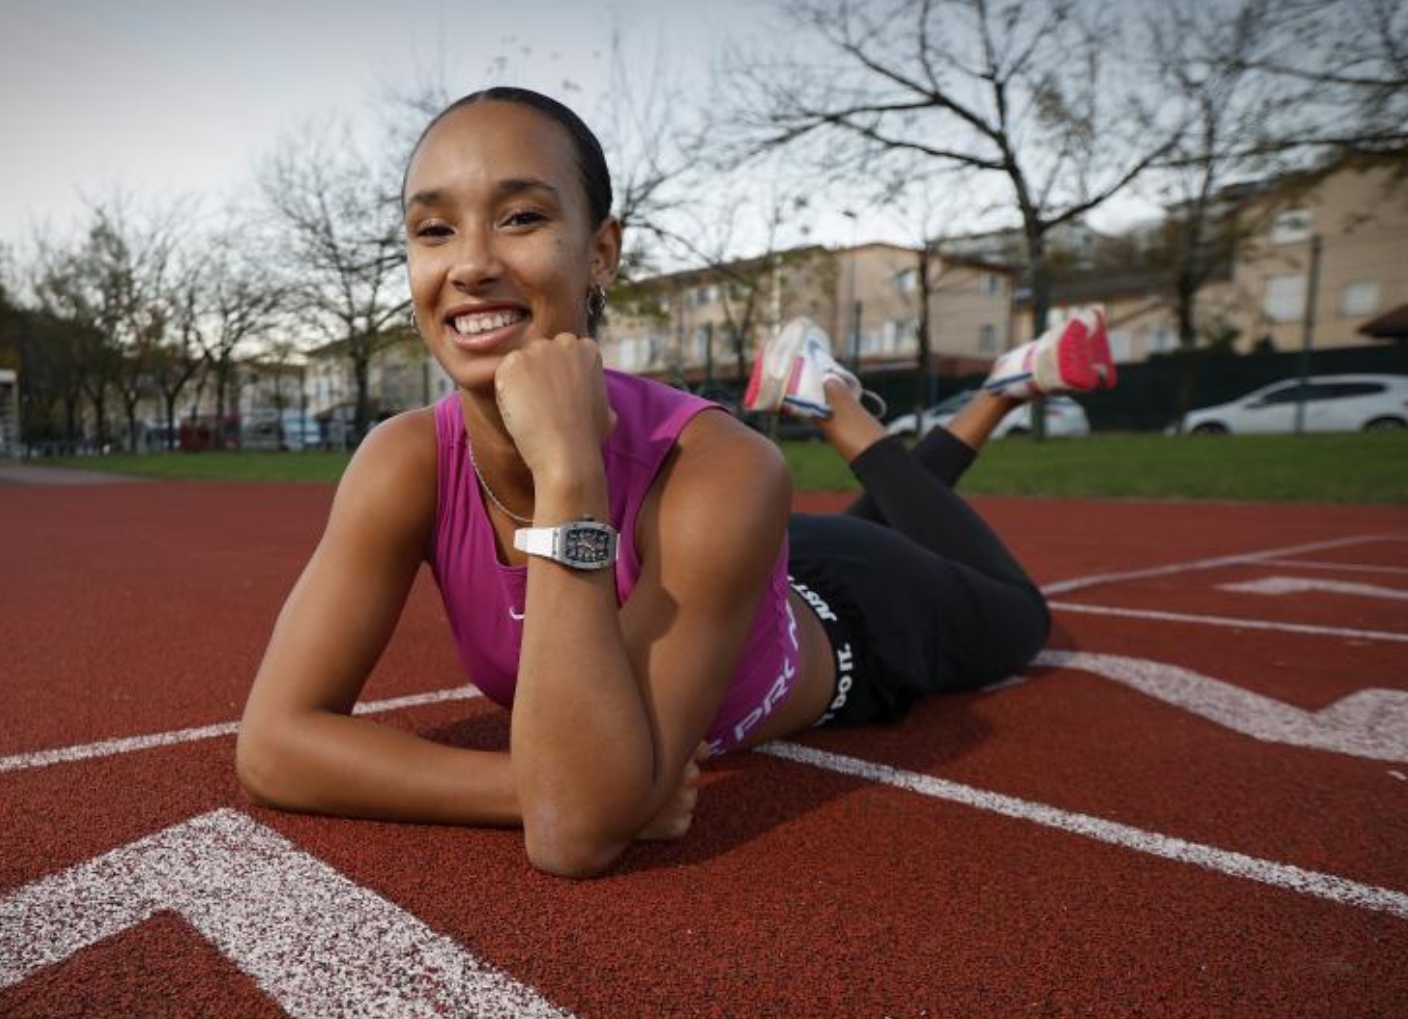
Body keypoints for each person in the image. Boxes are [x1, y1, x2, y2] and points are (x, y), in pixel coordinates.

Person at [236, 86, 1115, 876]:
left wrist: (571, 470)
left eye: (521, 218)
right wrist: (537, 785)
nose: (469, 265)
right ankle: (902, 395)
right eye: (434, 230)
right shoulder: (404, 461)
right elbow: (274, 749)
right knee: (854, 528)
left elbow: (575, 839)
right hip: (731, 564)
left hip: (869, 618)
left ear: (602, 253)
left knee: (1022, 617)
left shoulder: (725, 466)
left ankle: (896, 404)